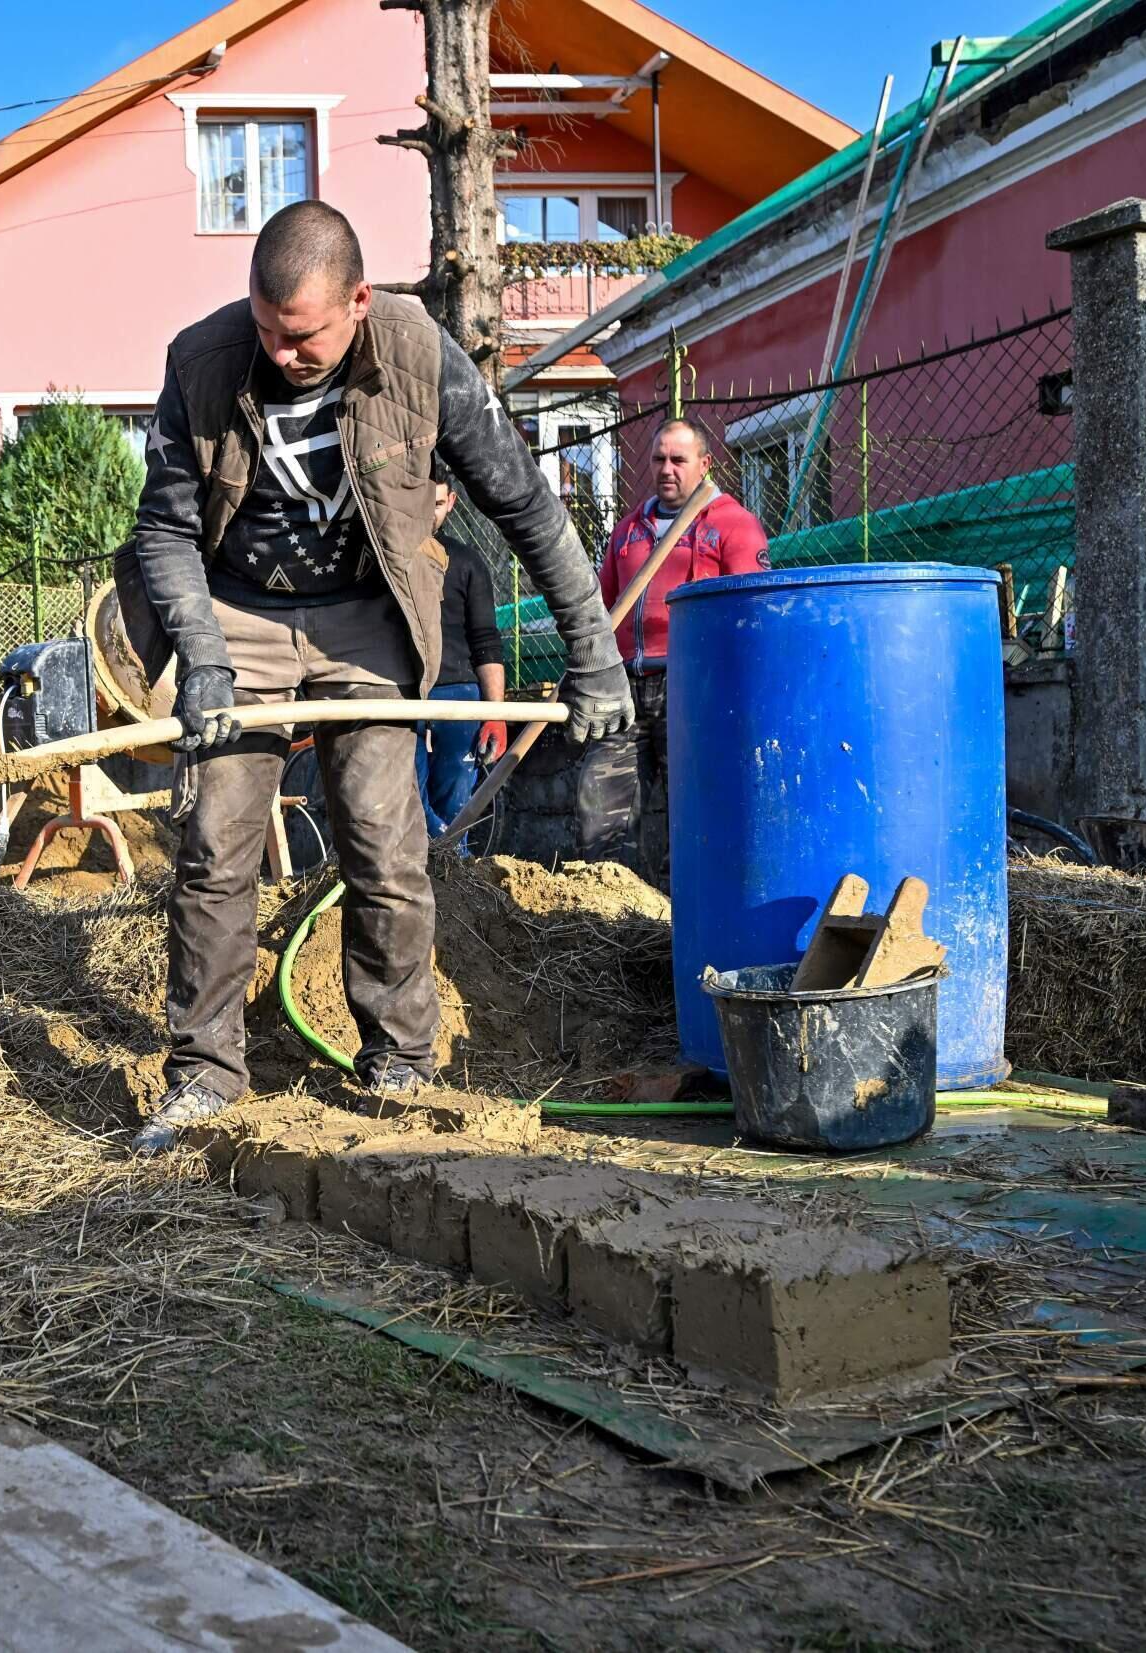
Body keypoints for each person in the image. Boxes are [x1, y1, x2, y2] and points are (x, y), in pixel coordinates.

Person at [117, 201, 630, 1154]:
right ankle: (203, 1074)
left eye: (303, 336)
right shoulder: (203, 361)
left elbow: (522, 503)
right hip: (241, 607)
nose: (280, 354)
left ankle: (401, 1061)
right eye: (267, 331)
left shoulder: (418, 353)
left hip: (370, 608)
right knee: (218, 846)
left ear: (358, 299)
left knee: (384, 841)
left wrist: (594, 655)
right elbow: (165, 529)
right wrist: (205, 657)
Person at [576, 418, 768, 889]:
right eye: (659, 458)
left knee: (693, 810)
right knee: (599, 808)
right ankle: (607, 916)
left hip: (692, 687)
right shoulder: (628, 531)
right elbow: (603, 606)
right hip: (623, 686)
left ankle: (680, 918)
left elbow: (753, 613)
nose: (667, 469)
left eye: (679, 460)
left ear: (704, 464)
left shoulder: (732, 525)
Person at [414, 477, 506, 848]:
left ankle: (456, 881)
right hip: (399, 694)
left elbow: (486, 642)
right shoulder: (385, 560)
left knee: (456, 807)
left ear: (451, 501)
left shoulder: (467, 562)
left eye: (437, 504)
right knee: (406, 805)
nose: (429, 513)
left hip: (457, 696)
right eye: (422, 502)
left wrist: (496, 712)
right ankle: (433, 857)